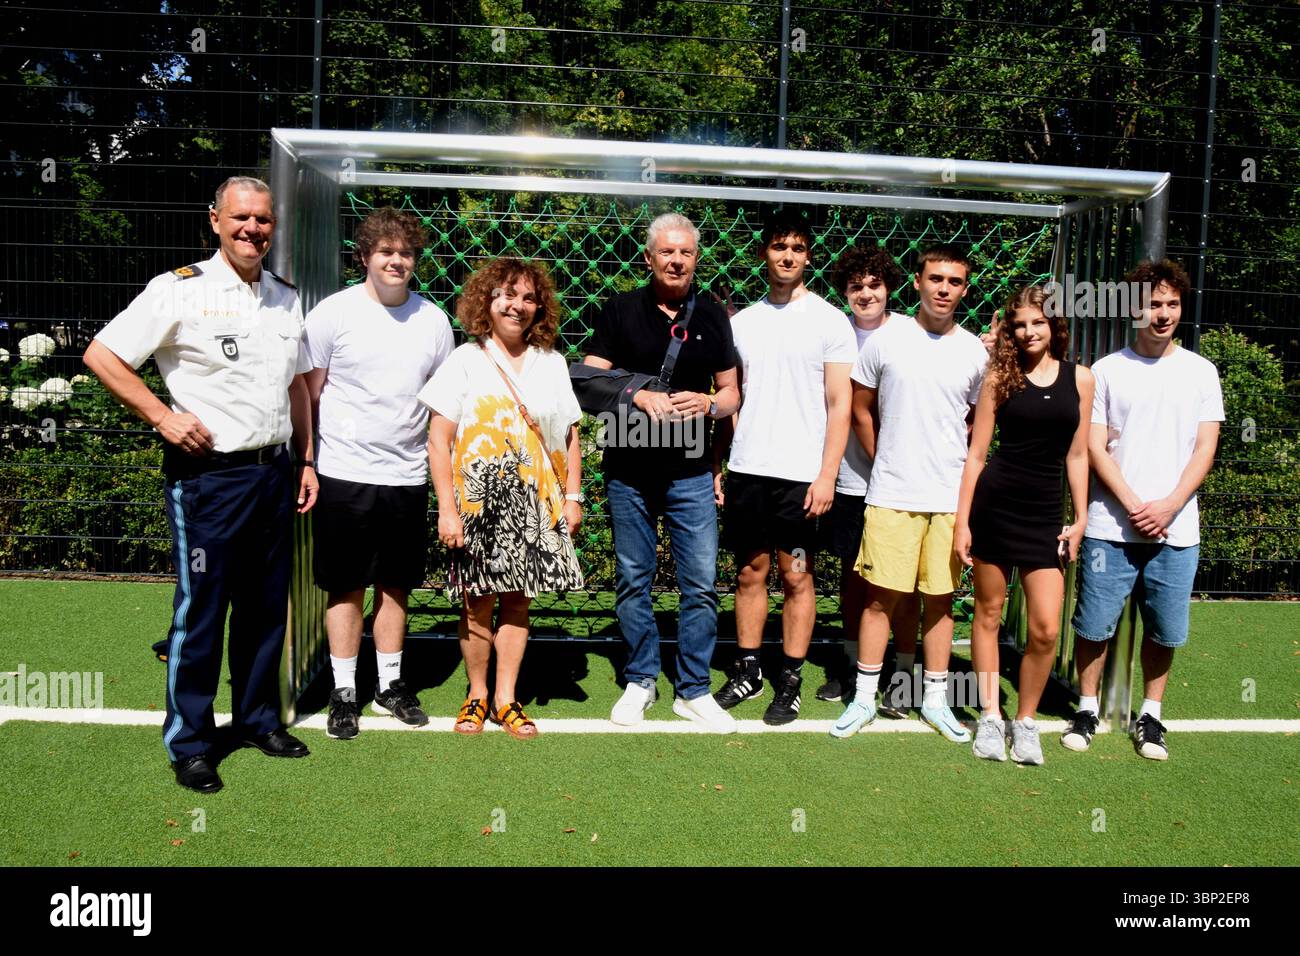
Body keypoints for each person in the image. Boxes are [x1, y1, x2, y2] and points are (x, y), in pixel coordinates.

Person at [83, 176, 318, 793]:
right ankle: (190, 741)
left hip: (274, 472)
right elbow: (102, 355)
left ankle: (257, 719)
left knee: (268, 608)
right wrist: (162, 416)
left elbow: (296, 385)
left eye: (263, 220)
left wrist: (308, 459)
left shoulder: (283, 296)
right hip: (210, 479)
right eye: (240, 217)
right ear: (214, 220)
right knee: (203, 610)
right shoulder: (178, 290)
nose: (252, 230)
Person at [582, 213, 741, 732]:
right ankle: (641, 679)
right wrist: (637, 393)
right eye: (666, 253)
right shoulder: (620, 310)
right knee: (634, 578)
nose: (676, 261)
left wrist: (712, 404)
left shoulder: (714, 316)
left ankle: (693, 689)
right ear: (648, 258)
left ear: (697, 258)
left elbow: (732, 392)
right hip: (628, 469)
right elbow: (585, 382)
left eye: (686, 253)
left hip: (692, 472)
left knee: (699, 583)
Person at [304, 207, 455, 741]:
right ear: (365, 256)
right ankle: (344, 691)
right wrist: (307, 461)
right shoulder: (332, 313)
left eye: (406, 252)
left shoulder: (433, 321)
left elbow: (443, 406)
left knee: (395, 587)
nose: (397, 260)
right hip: (343, 474)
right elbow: (310, 395)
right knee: (344, 588)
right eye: (386, 251)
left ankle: (390, 684)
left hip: (407, 476)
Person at [1062, 259, 1222, 760]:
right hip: (1112, 527)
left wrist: (1170, 505)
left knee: (1165, 630)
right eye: (1154, 304)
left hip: (1177, 529)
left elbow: (1204, 448)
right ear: (1134, 308)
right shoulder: (1106, 371)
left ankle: (1151, 716)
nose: (1163, 313)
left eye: (1172, 304)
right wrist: (1133, 503)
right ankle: (1086, 708)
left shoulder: (1201, 371)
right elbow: (1092, 445)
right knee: (1093, 625)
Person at [419, 257, 584, 739]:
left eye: (529, 297)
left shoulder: (552, 363)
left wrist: (572, 497)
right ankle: (477, 695)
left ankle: (507, 699)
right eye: (508, 295)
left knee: (518, 602)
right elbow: (438, 440)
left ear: (540, 307)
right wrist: (447, 509)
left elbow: (570, 435)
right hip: (478, 503)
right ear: (486, 301)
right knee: (476, 602)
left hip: (537, 501)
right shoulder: (465, 359)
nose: (518, 306)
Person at [830, 243, 987, 743]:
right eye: (936, 279)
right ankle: (863, 700)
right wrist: (888, 461)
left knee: (940, 600)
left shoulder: (975, 353)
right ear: (917, 283)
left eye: (954, 282)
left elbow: (975, 426)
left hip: (947, 499)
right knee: (881, 599)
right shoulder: (885, 342)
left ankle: (936, 701)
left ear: (964, 289)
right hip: (891, 495)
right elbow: (859, 410)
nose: (944, 289)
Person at [713, 210, 856, 725]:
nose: (788, 255)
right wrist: (719, 465)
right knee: (750, 572)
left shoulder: (829, 321)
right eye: (779, 246)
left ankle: (789, 678)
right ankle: (748, 670)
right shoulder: (741, 323)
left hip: (802, 478)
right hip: (749, 470)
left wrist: (826, 476)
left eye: (797, 247)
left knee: (796, 575)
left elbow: (840, 404)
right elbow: (729, 399)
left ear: (808, 255)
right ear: (764, 254)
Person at [954, 285, 1093, 764]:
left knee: (1046, 630)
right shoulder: (999, 376)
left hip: (1045, 517)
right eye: (1020, 324)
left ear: (1055, 325)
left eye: (1038, 322)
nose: (1029, 331)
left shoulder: (1084, 379)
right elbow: (976, 455)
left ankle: (1026, 721)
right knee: (988, 614)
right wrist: (961, 523)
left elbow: (1078, 454)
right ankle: (991, 716)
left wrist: (1081, 518)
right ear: (1010, 330)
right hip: (995, 505)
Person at [814, 245, 922, 717]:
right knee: (853, 575)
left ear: (889, 286)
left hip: (904, 483)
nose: (865, 293)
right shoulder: (833, 333)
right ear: (845, 292)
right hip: (849, 479)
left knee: (904, 583)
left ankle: (903, 671)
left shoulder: (911, 334)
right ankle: (852, 663)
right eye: (855, 286)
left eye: (874, 284)